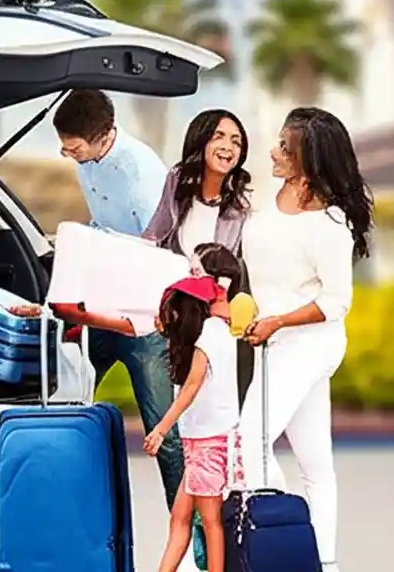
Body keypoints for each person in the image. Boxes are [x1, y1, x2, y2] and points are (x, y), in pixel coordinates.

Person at [47, 89, 200, 559]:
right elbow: (102, 225)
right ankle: (62, 520)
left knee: (164, 434)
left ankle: (194, 544)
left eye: (73, 146)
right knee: (64, 398)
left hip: (143, 318)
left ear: (104, 136)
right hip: (103, 308)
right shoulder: (87, 162)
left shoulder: (142, 174)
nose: (65, 154)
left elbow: (159, 249)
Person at [237, 107, 374, 572]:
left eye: (284, 148)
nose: (273, 152)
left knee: (246, 441)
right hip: (276, 340)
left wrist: (276, 322)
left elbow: (337, 302)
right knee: (315, 463)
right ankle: (325, 562)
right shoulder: (271, 194)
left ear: (308, 160)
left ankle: (287, 531)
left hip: (310, 342)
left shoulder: (331, 223)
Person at [141, 109, 256, 408]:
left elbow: (233, 270)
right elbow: (154, 238)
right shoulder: (177, 184)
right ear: (201, 140)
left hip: (215, 322)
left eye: (236, 142)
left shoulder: (240, 210)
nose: (228, 148)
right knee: (174, 411)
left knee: (211, 413)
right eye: (219, 136)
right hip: (173, 317)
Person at [143, 248, 244, 572]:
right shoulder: (218, 329)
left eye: (196, 271)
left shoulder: (211, 335)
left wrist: (160, 429)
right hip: (202, 441)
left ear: (220, 283)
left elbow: (190, 388)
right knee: (181, 517)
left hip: (207, 442)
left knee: (210, 520)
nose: (190, 277)